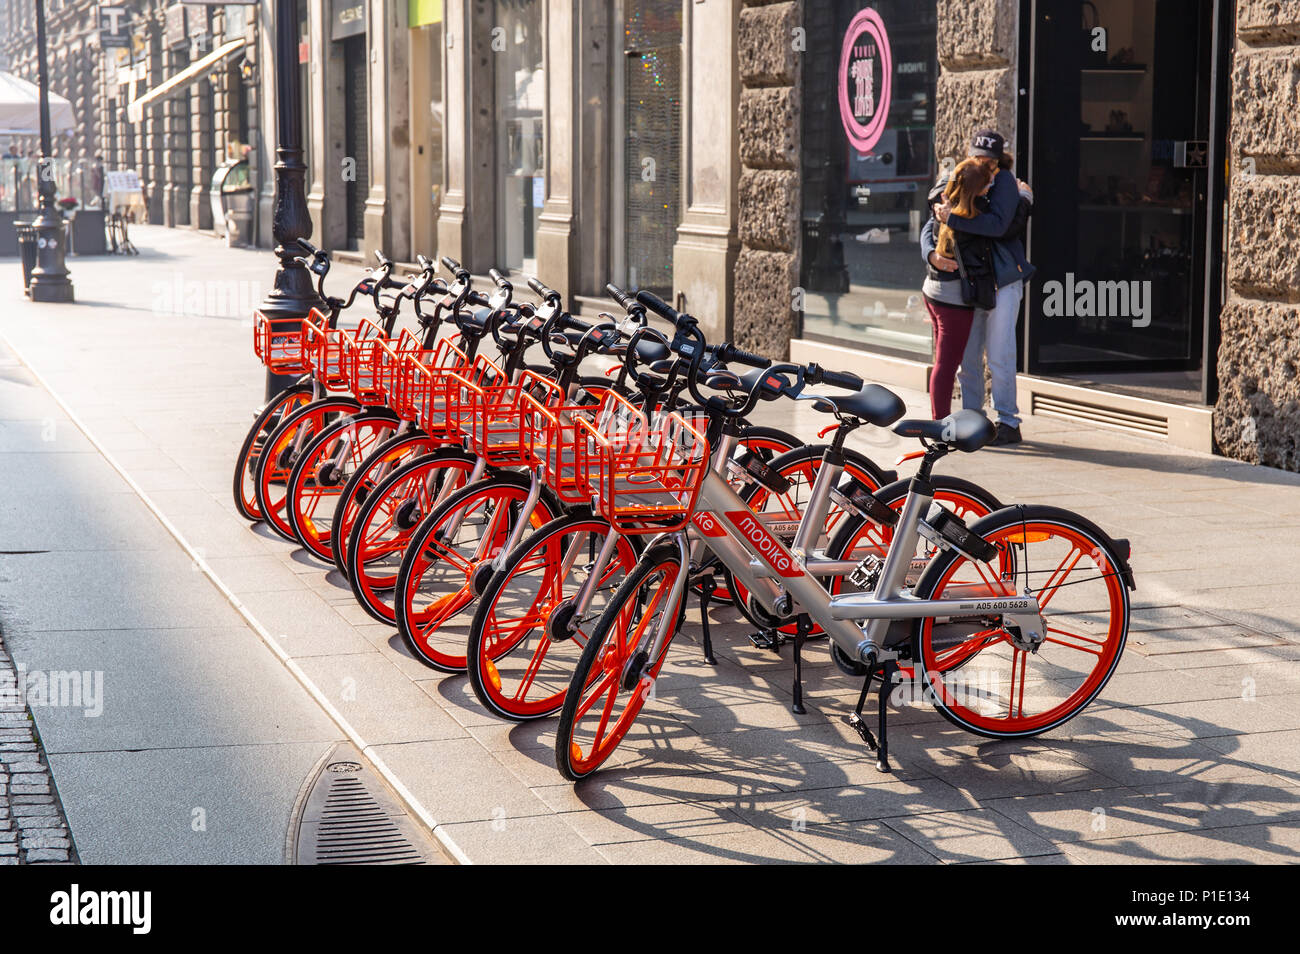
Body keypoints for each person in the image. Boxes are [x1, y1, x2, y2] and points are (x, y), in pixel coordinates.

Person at [933, 130, 1035, 445]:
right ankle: (972, 418)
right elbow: (933, 213)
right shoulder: (961, 174)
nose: (985, 163)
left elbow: (998, 226)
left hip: (1002, 280)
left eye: (990, 158)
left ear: (1000, 159)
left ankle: (1008, 422)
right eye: (979, 156)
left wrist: (953, 220)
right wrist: (932, 246)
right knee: (968, 354)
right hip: (971, 281)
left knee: (1000, 354)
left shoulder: (1005, 181)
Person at [918, 158, 993, 420]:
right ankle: (940, 425)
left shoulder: (944, 207)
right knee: (946, 366)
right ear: (975, 190)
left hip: (933, 292)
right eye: (985, 185)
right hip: (953, 302)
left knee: (943, 362)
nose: (989, 189)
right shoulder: (969, 219)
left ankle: (941, 420)